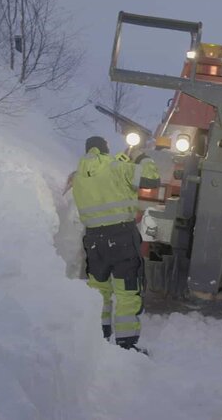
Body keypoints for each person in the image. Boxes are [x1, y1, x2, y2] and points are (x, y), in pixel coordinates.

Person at [71, 136, 160, 351]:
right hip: (121, 238)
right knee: (127, 292)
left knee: (98, 291)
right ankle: (125, 346)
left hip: (93, 240)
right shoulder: (116, 167)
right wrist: (141, 157)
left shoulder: (79, 176)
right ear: (105, 149)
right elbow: (151, 179)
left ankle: (98, 342)